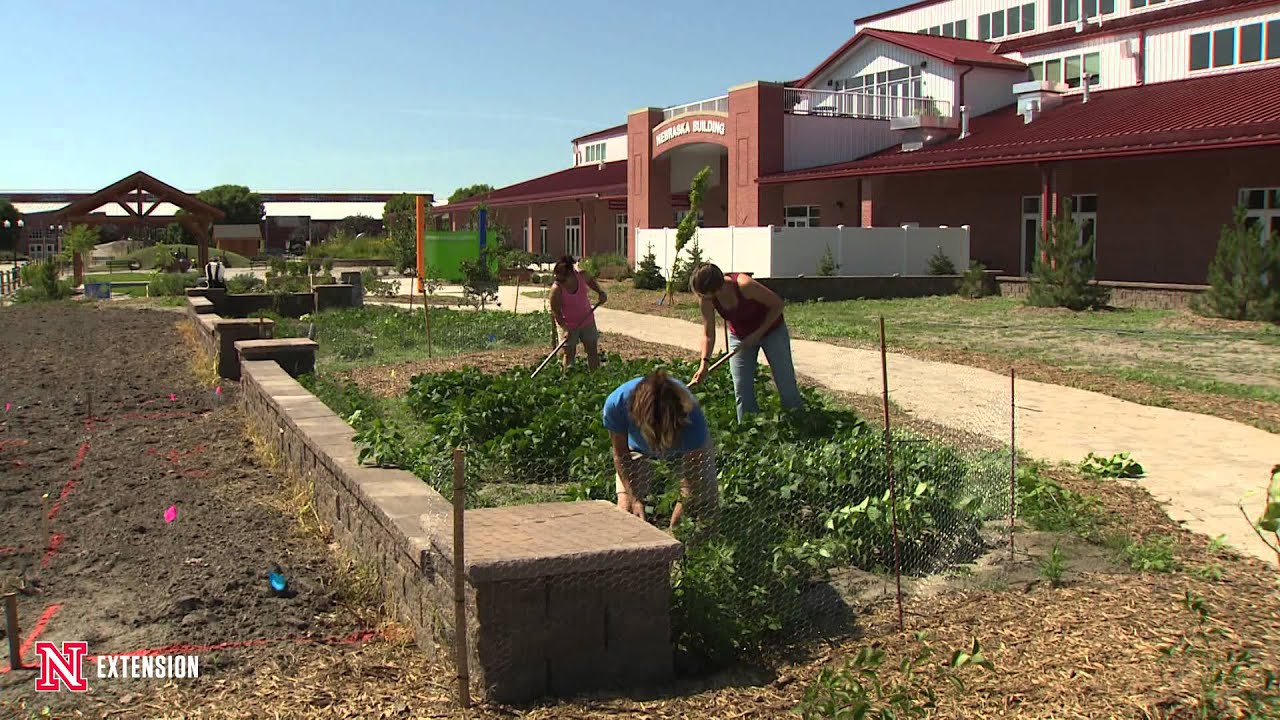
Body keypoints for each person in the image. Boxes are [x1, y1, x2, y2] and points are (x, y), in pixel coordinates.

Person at [603, 369, 717, 530]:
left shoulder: (691, 414)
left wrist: (676, 525)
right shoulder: (616, 404)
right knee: (626, 511)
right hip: (637, 450)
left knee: (704, 508)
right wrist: (635, 500)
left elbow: (692, 478)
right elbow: (621, 455)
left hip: (685, 451)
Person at [689, 264, 802, 422]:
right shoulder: (706, 299)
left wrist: (758, 334)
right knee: (741, 388)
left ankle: (798, 423)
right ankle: (749, 429)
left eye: (707, 295)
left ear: (717, 287)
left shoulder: (744, 285)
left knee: (785, 382)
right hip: (740, 336)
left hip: (772, 330)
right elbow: (708, 334)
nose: (704, 299)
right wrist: (704, 364)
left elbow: (778, 304)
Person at [549, 255, 607, 370]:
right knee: (569, 353)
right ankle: (568, 379)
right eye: (558, 278)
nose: (559, 281)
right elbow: (556, 311)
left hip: (587, 320)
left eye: (562, 278)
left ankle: (595, 377)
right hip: (568, 324)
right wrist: (565, 328)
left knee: (592, 351)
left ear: (570, 273)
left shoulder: (581, 275)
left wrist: (600, 293)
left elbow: (591, 282)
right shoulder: (556, 289)